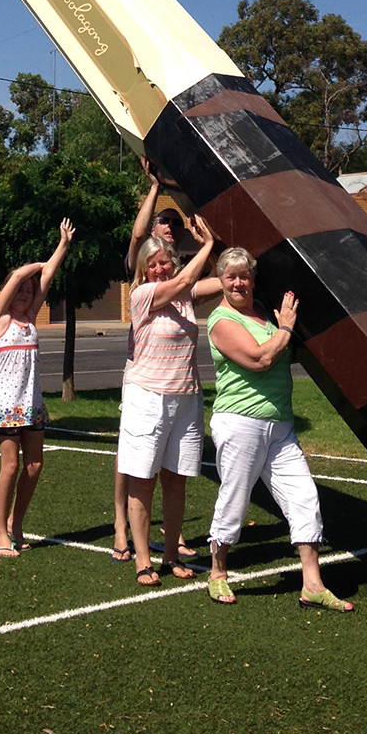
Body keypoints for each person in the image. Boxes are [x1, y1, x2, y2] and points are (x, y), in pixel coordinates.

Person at [204, 247, 352, 611]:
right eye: (231, 277)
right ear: (221, 281)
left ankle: (312, 584)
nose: (238, 282)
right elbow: (260, 358)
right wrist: (285, 328)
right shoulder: (221, 321)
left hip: (280, 425)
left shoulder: (264, 312)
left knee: (304, 498)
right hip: (240, 424)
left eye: (244, 276)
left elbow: (286, 349)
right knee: (235, 501)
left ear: (254, 278)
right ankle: (217, 573)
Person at [118, 216, 220, 585]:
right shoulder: (142, 295)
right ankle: (143, 560)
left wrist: (216, 244)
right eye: (154, 263)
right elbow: (185, 280)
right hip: (148, 398)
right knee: (143, 479)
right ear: (144, 269)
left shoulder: (185, 299)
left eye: (166, 262)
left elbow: (224, 279)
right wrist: (207, 245)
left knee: (177, 481)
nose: (161, 268)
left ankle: (172, 556)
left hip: (186, 398)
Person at [112, 161, 199, 563]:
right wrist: (154, 189)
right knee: (133, 463)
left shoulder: (177, 268)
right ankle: (120, 528)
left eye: (174, 224)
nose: (168, 226)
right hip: (142, 376)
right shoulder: (141, 275)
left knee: (169, 470)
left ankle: (171, 541)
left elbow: (197, 280)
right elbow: (138, 233)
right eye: (163, 222)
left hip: (179, 386)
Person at [0, 219, 75, 557]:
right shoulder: (0, 320)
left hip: (32, 404)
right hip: (7, 405)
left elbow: (47, 277)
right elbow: (17, 279)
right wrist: (29, 269)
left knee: (34, 467)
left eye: (28, 291)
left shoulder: (31, 318)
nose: (24, 294)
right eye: (20, 290)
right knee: (9, 466)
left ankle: (16, 523)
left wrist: (62, 244)